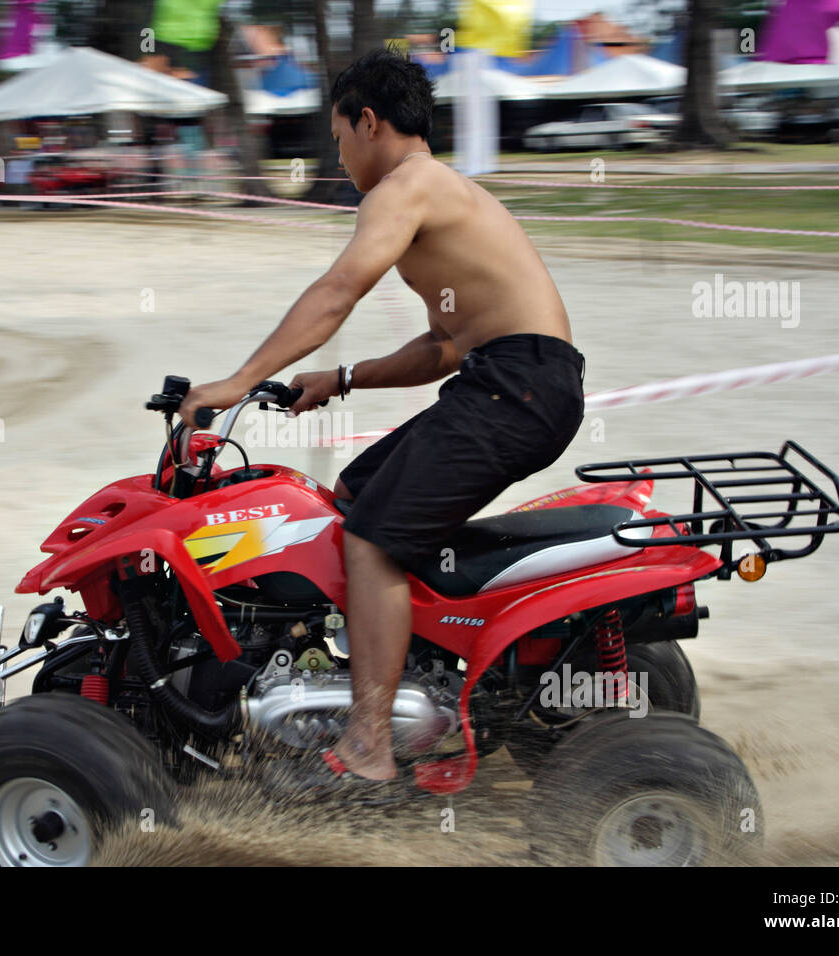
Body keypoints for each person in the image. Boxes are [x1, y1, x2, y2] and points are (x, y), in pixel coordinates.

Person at [178, 48, 585, 796]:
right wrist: (343, 378)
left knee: (371, 542)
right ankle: (406, 681)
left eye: (338, 136)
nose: (338, 153)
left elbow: (338, 290)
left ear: (368, 121)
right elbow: (442, 343)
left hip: (516, 385)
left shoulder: (405, 187)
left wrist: (235, 381)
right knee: (358, 496)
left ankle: (370, 743)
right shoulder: (438, 191)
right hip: (512, 380)